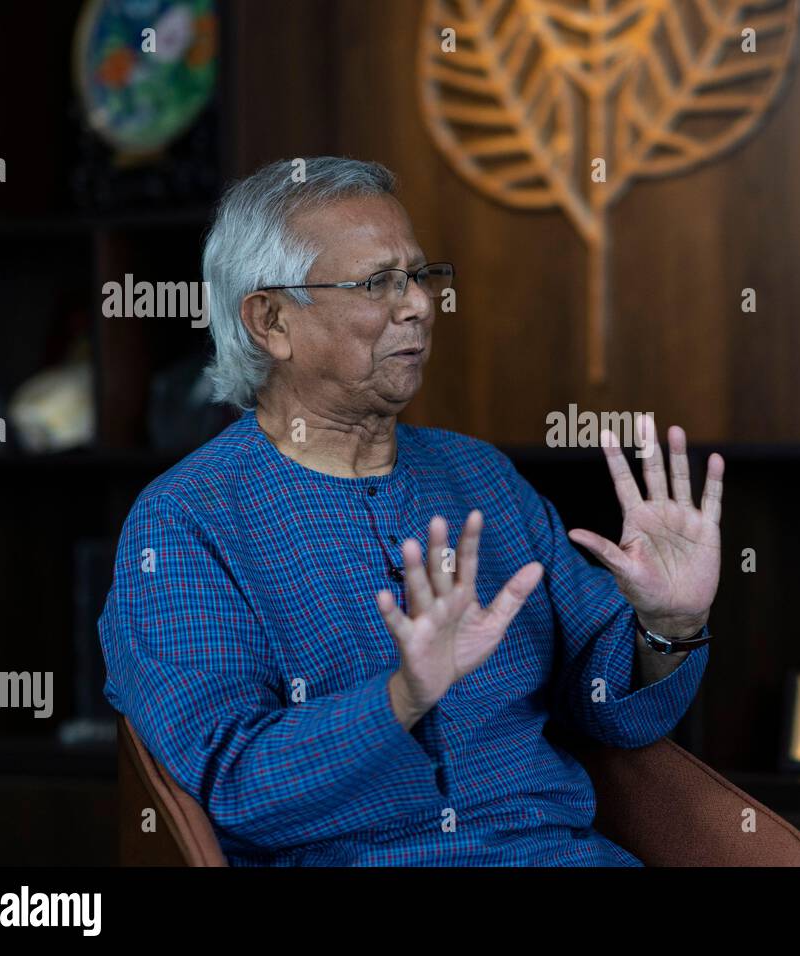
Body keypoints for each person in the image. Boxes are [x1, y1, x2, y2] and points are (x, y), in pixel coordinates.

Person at [98, 157, 725, 866]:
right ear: (271, 321)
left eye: (421, 276)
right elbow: (234, 786)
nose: (420, 306)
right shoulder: (187, 521)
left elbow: (611, 708)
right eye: (377, 283)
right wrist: (401, 696)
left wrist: (668, 626)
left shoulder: (480, 475)